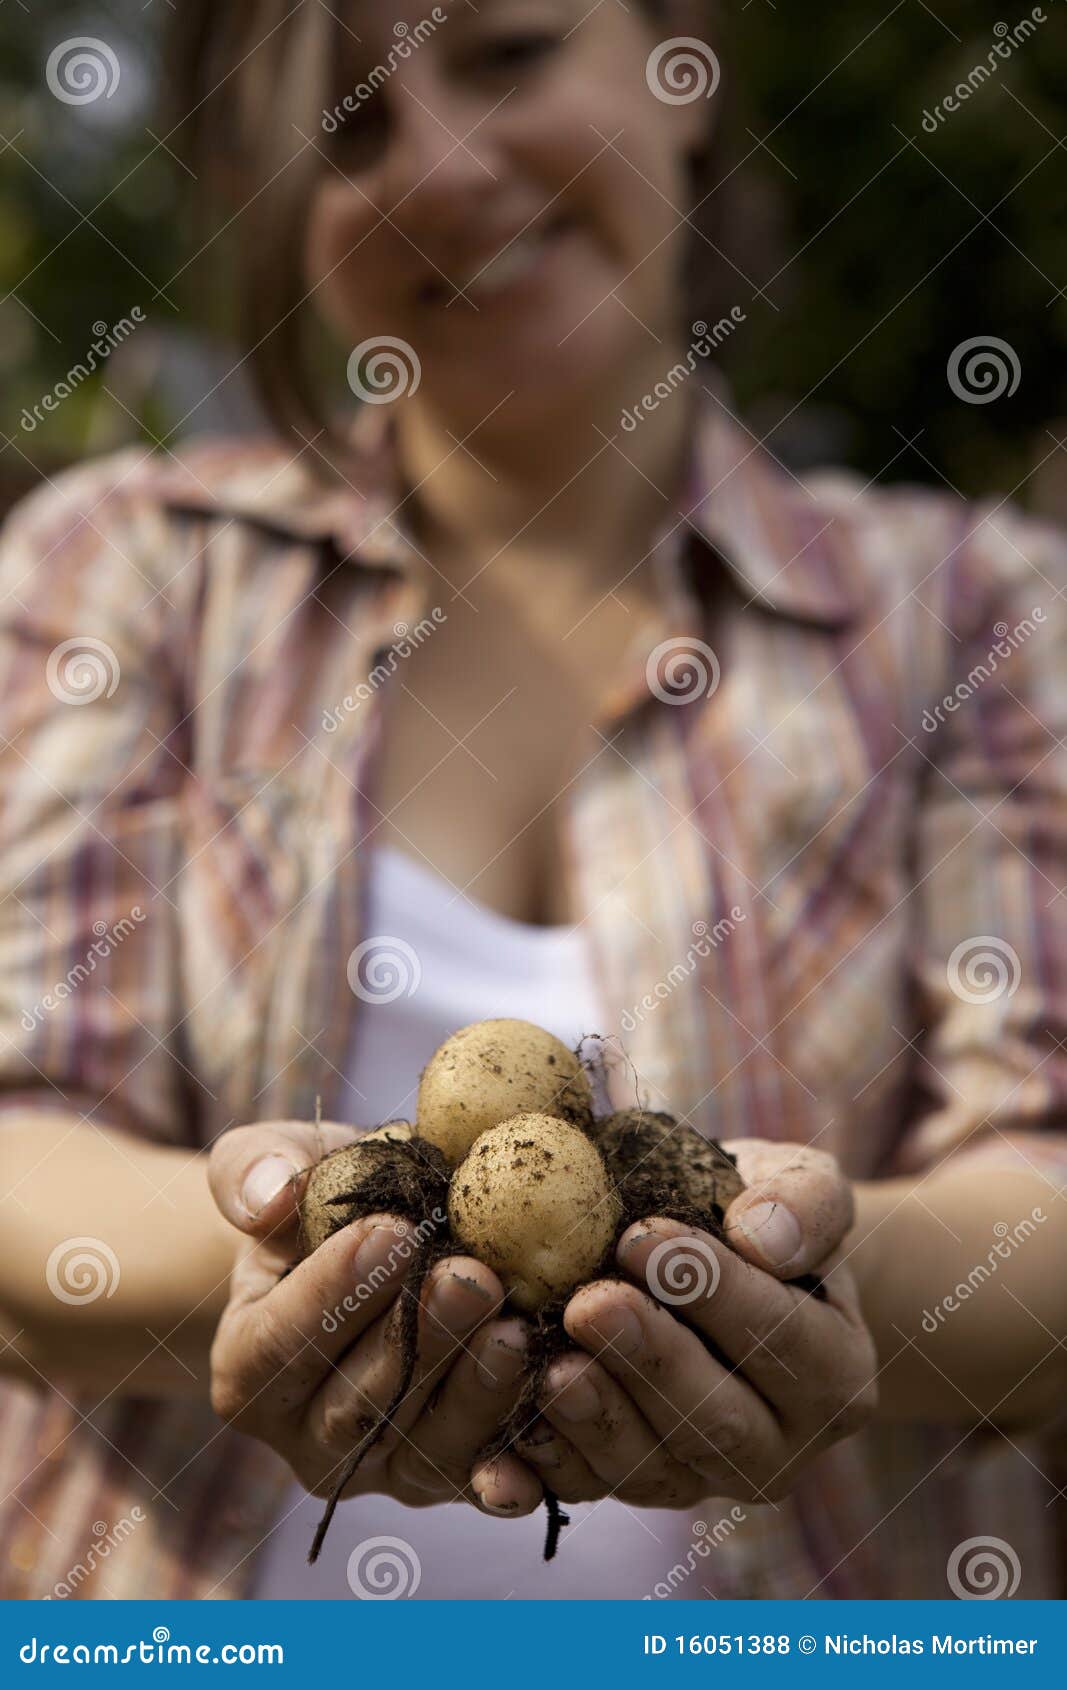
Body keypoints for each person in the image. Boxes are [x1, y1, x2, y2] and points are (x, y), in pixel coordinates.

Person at [0, 0, 1064, 1602]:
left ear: (680, 63)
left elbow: (1041, 1193)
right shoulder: (129, 576)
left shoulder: (978, 619)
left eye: (506, 54)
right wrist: (301, 1258)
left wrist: (794, 1271)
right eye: (349, 128)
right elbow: (22, 1136)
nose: (439, 164)